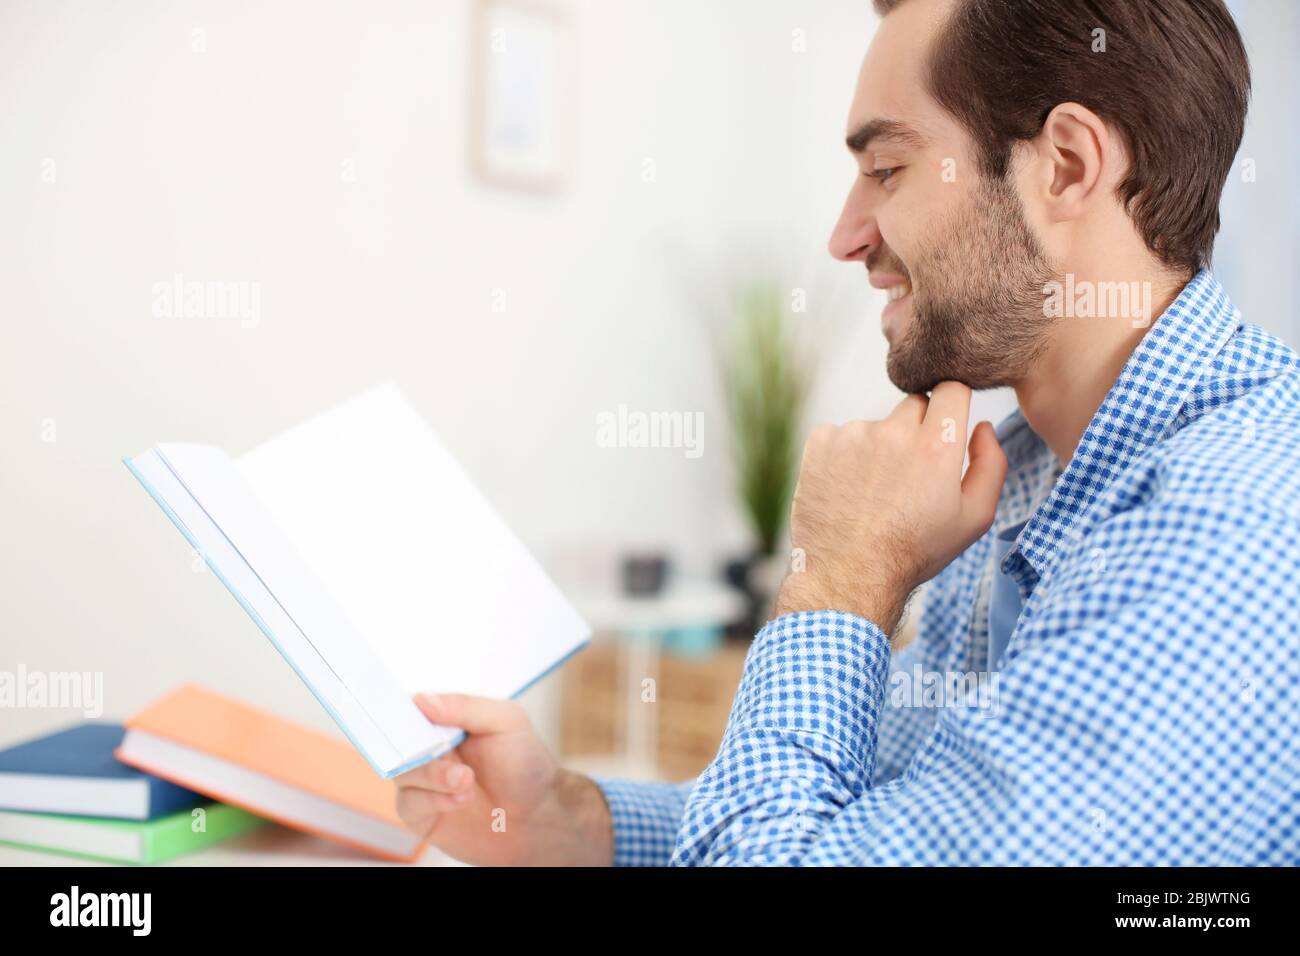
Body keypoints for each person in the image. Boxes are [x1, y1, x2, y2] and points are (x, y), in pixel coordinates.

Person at [395, 0, 1300, 865]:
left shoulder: (1229, 526)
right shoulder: (1040, 480)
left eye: (888, 168)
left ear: (1065, 165)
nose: (844, 235)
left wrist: (839, 581)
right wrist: (566, 825)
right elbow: (875, 821)